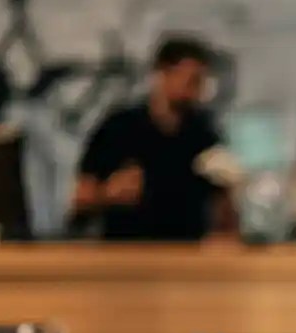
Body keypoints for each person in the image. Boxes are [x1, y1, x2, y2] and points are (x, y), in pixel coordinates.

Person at [71, 36, 238, 241]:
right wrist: (108, 193)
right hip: (126, 254)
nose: (196, 92)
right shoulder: (120, 128)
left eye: (201, 83)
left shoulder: (203, 134)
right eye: (191, 81)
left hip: (187, 255)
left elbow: (221, 202)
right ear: (163, 74)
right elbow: (79, 197)